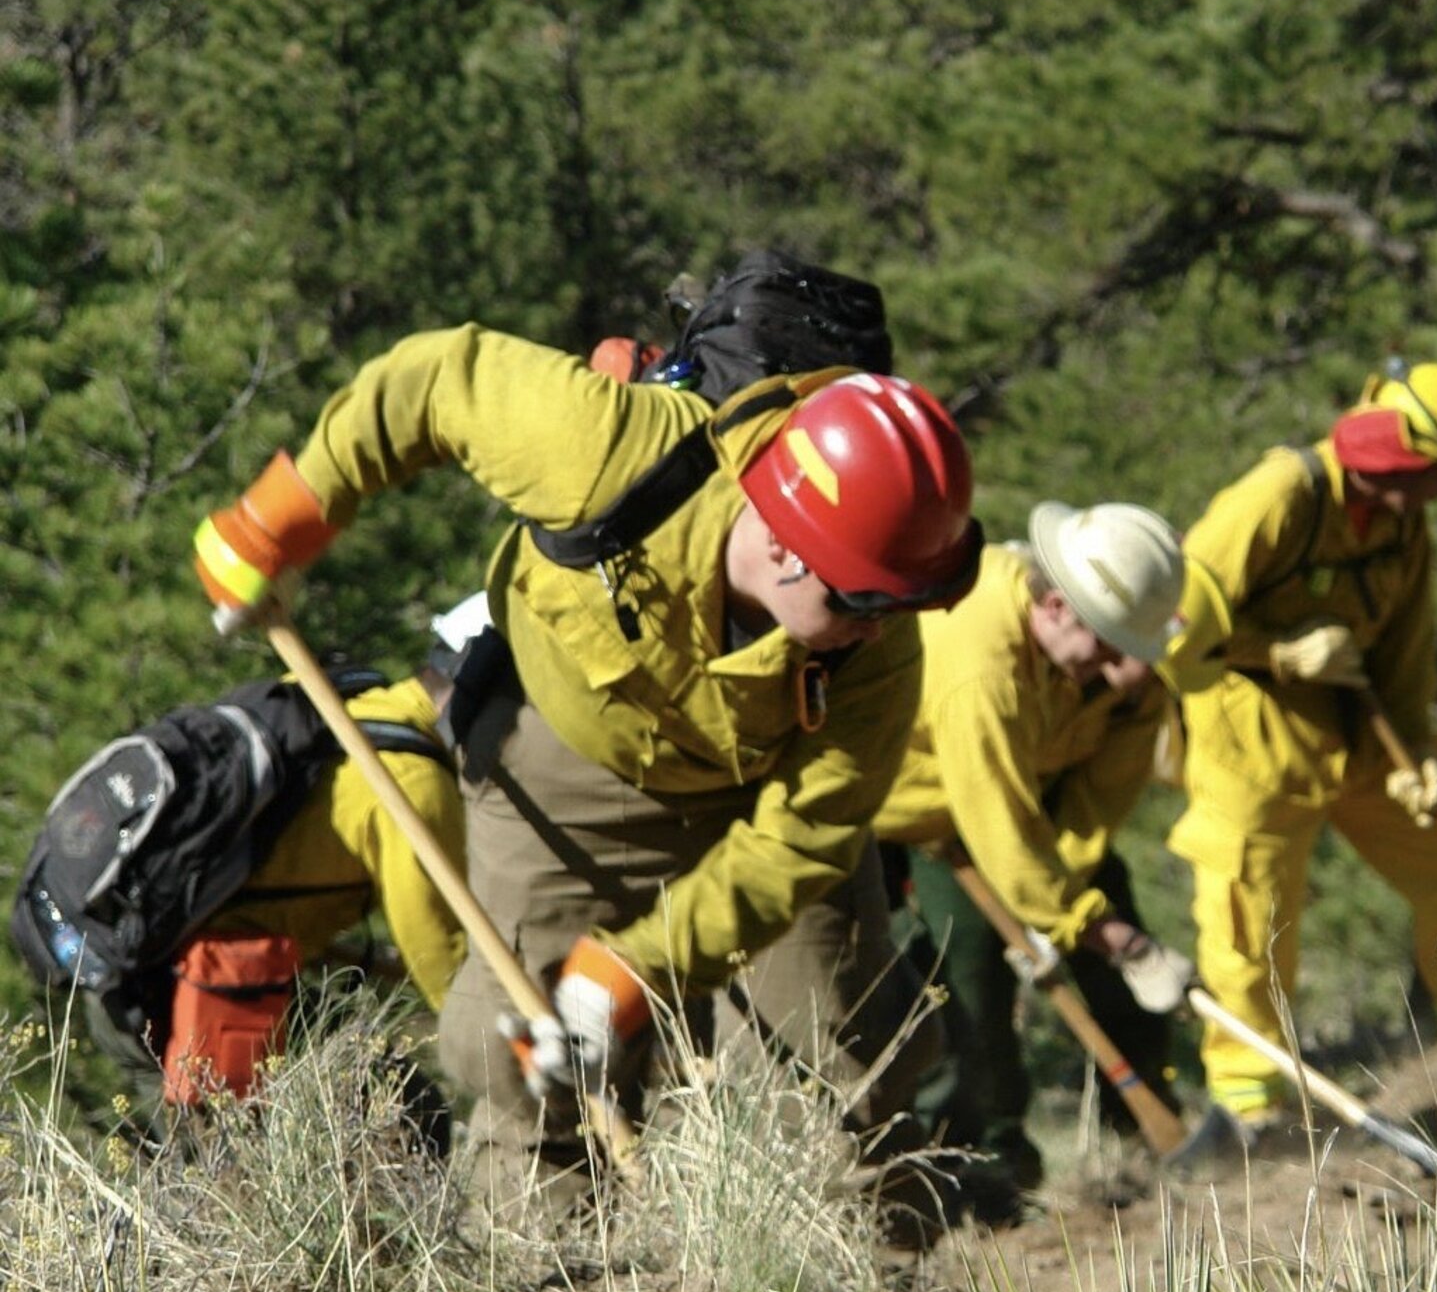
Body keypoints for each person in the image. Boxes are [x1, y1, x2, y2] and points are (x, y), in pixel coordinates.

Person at [191, 324, 979, 1215]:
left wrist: (638, 969)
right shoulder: (610, 449)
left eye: (905, 601)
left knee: (839, 1056)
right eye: (867, 600)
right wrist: (278, 517)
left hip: (760, 799)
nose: (883, 626)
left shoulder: (876, 647)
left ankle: (836, 1289)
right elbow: (432, 380)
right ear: (787, 542)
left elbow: (806, 837)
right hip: (563, 762)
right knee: (520, 1061)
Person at [1155, 361, 1437, 1164]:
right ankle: (1247, 1106)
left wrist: (1418, 756)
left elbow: (1408, 652)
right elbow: (1172, 621)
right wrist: (1276, 653)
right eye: (1436, 472)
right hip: (1253, 747)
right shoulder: (1279, 497)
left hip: (1361, 743)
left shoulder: (1405, 525)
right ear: (1398, 450)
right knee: (1250, 919)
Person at [17, 613, 473, 1116]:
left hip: (133, 977)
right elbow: (445, 968)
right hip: (181, 997)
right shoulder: (413, 785)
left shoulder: (339, 693)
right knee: (405, 1112)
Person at [872, 501, 1197, 1188]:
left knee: (1112, 939)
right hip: (936, 827)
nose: (1116, 665)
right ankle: (987, 1169)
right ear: (1055, 606)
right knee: (968, 984)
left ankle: (1141, 1135)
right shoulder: (982, 663)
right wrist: (1075, 919)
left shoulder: (1128, 687)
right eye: (1108, 643)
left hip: (1020, 820)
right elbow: (995, 817)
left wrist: (1073, 913)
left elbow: (1089, 811)